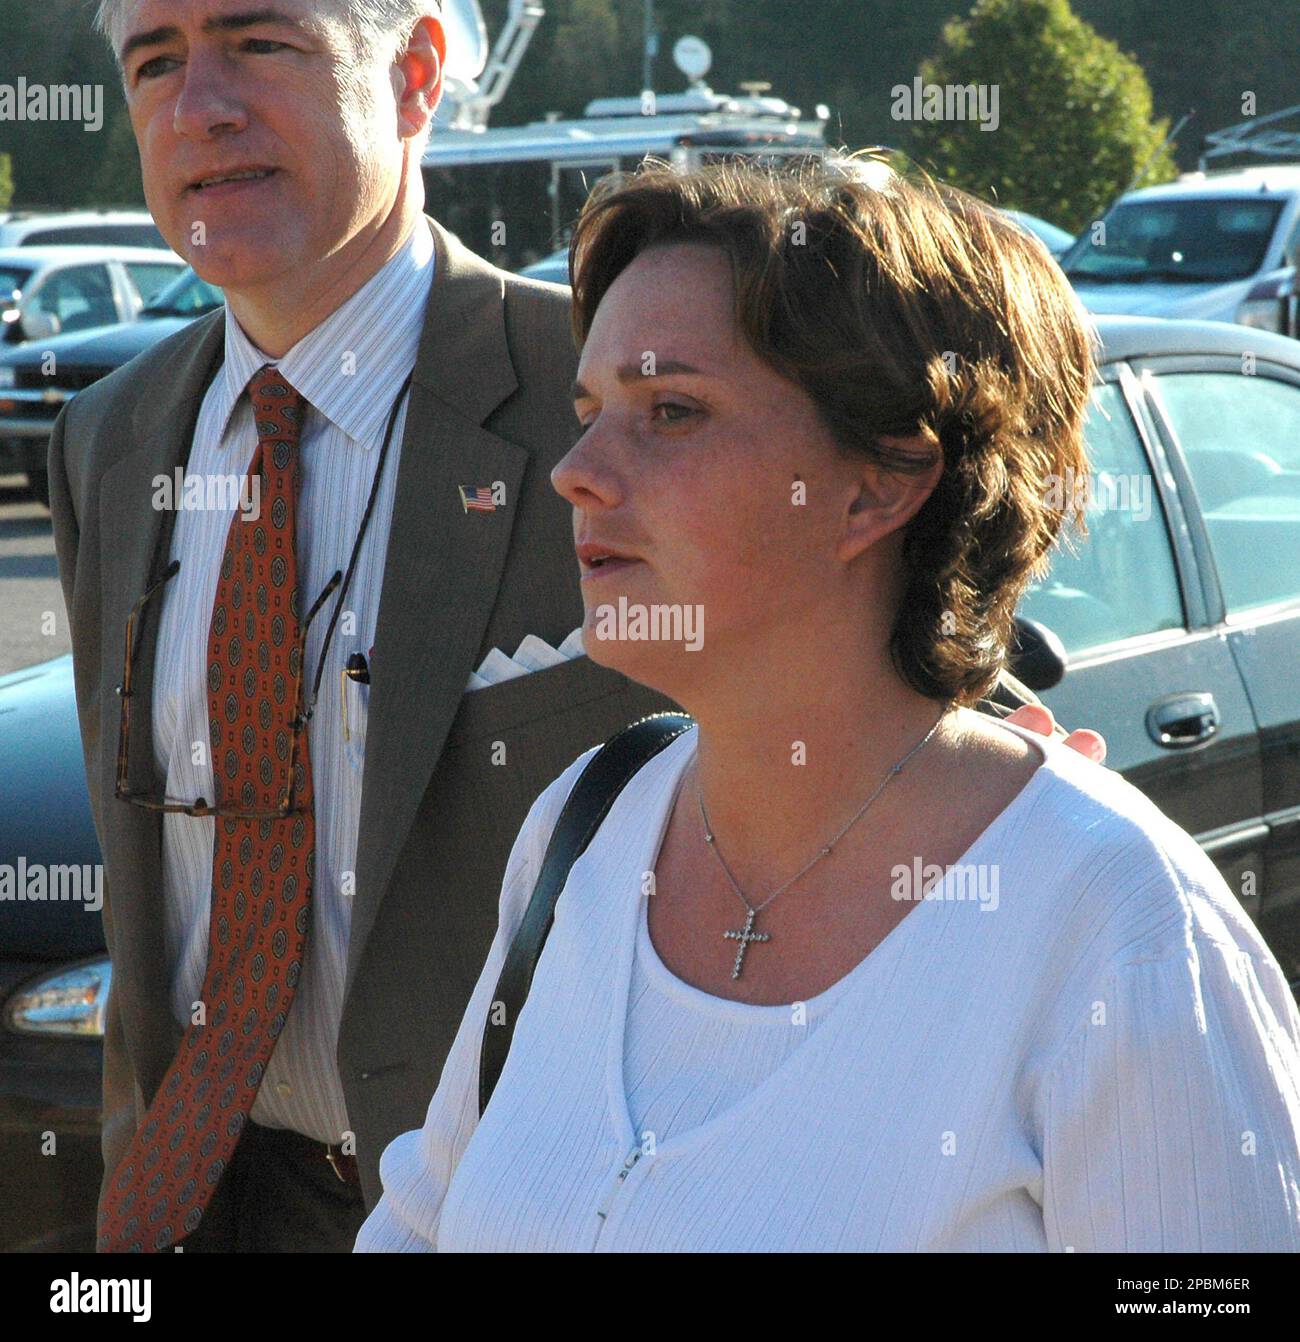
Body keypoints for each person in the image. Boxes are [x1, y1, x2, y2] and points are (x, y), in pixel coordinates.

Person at [49, 1, 1091, 1253]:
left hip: (516, 1201)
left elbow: (911, 688)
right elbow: (144, 881)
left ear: (420, 71)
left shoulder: (635, 394)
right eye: (154, 61)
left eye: (261, 43)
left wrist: (1032, 828)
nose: (199, 104)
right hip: (193, 1199)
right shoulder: (110, 438)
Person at [355, 157, 1300, 1253]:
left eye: (670, 410)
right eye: (589, 408)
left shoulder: (1119, 929)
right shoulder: (589, 822)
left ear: (881, 484)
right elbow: (423, 1225)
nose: (576, 470)